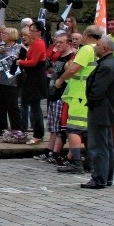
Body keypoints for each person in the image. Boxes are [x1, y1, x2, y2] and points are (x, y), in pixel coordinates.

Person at [54, 25, 102, 174]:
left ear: (86, 35)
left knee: (74, 129)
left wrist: (60, 80)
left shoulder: (87, 49)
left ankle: (76, 162)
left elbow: (74, 68)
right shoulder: (102, 49)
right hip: (90, 93)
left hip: (80, 94)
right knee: (87, 129)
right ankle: (90, 163)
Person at [81, 36, 114, 189]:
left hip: (101, 111)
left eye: (98, 45)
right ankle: (107, 177)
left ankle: (99, 178)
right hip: (109, 110)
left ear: (105, 48)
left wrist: (91, 103)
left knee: (99, 146)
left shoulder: (106, 66)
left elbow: (98, 90)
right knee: (107, 145)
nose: (95, 48)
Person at [35, 31, 75, 164]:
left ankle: (56, 152)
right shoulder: (59, 55)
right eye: (56, 42)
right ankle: (49, 150)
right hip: (53, 93)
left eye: (61, 42)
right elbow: (53, 71)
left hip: (62, 95)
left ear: (68, 43)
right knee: (52, 126)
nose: (57, 45)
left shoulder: (71, 57)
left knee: (58, 127)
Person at [17, 20, 48, 145]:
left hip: (35, 78)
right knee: (34, 106)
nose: (30, 32)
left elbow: (33, 62)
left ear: (39, 32)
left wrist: (20, 62)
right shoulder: (36, 43)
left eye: (33, 30)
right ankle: (37, 133)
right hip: (33, 77)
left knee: (35, 108)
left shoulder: (38, 44)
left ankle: (38, 134)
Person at [0, 27, 23, 135]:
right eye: (2, 33)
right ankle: (1, 129)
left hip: (11, 81)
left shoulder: (19, 48)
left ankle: (16, 129)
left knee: (12, 106)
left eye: (6, 33)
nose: (3, 35)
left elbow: (23, 62)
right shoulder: (0, 47)